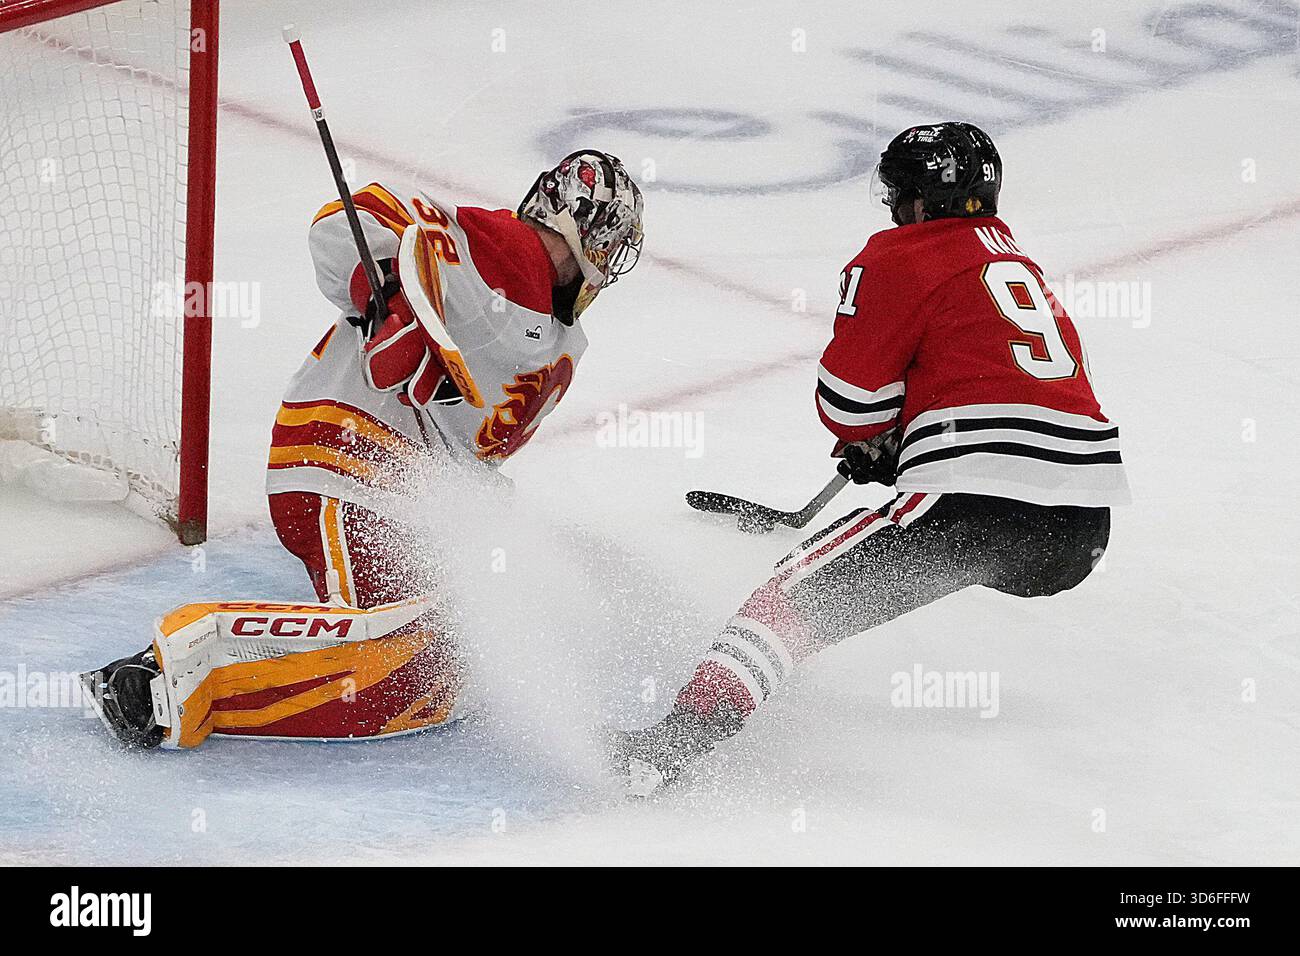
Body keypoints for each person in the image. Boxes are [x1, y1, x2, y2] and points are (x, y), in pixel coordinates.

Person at [612, 122, 1129, 795]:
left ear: (921, 202)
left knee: (791, 601)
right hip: (1080, 531)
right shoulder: (1017, 265)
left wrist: (883, 436)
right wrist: (908, 436)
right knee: (910, 554)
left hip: (981, 500)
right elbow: (1014, 388)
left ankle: (665, 749)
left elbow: (851, 407)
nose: (893, 207)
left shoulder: (900, 255)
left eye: (899, 193)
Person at [83, 151, 645, 749]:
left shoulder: (562, 345)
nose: (608, 264)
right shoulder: (488, 245)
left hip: (398, 493)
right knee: (400, 676)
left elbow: (463, 449)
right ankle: (174, 675)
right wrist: (386, 301)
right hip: (340, 457)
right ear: (573, 224)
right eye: (607, 239)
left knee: (455, 666)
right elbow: (337, 226)